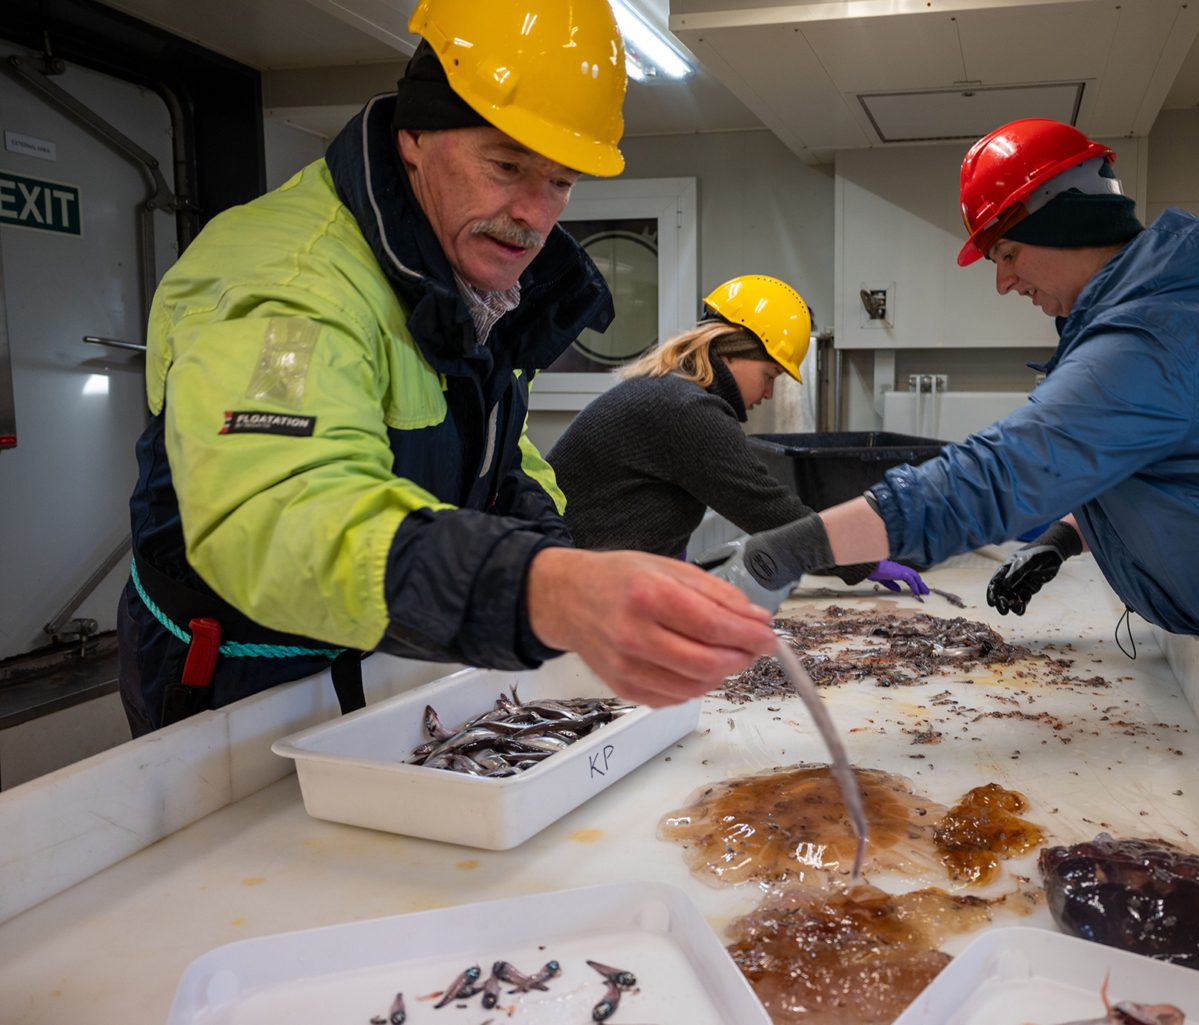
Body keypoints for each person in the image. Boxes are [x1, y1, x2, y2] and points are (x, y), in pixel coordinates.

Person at [702, 118, 1199, 891]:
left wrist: (787, 547)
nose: (1003, 280)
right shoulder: (1147, 316)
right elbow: (1153, 474)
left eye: (1008, 252)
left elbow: (991, 478)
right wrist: (1062, 537)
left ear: (1066, 221)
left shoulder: (1157, 333)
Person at [117, 0, 777, 735]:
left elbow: (503, 456)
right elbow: (281, 514)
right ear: (415, 138)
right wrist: (542, 590)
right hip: (238, 684)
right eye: (505, 165)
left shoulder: (475, 288)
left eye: (560, 181)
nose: (533, 213)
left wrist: (559, 562)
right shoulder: (289, 287)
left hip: (375, 658)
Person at [547, 273, 927, 596]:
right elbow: (773, 514)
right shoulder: (688, 410)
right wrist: (863, 562)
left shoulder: (669, 391)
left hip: (578, 580)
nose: (768, 394)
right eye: (769, 376)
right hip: (571, 592)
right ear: (730, 352)